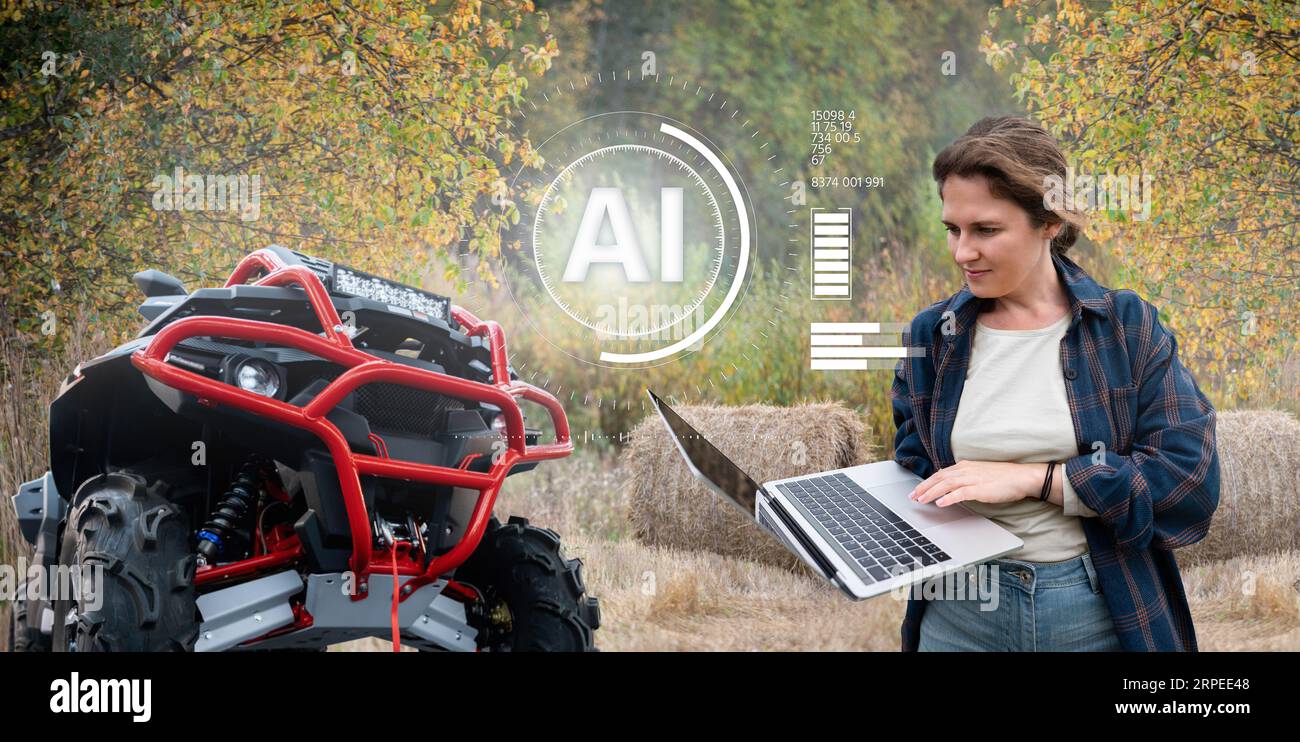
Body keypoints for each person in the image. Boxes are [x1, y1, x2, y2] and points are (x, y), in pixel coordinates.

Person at [891, 115, 1220, 651]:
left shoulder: (1127, 327)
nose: (961, 252)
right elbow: (915, 467)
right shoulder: (933, 336)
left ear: (1049, 222)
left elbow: (1187, 483)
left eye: (986, 230)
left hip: (1095, 613)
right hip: (957, 615)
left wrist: (1034, 480)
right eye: (953, 229)